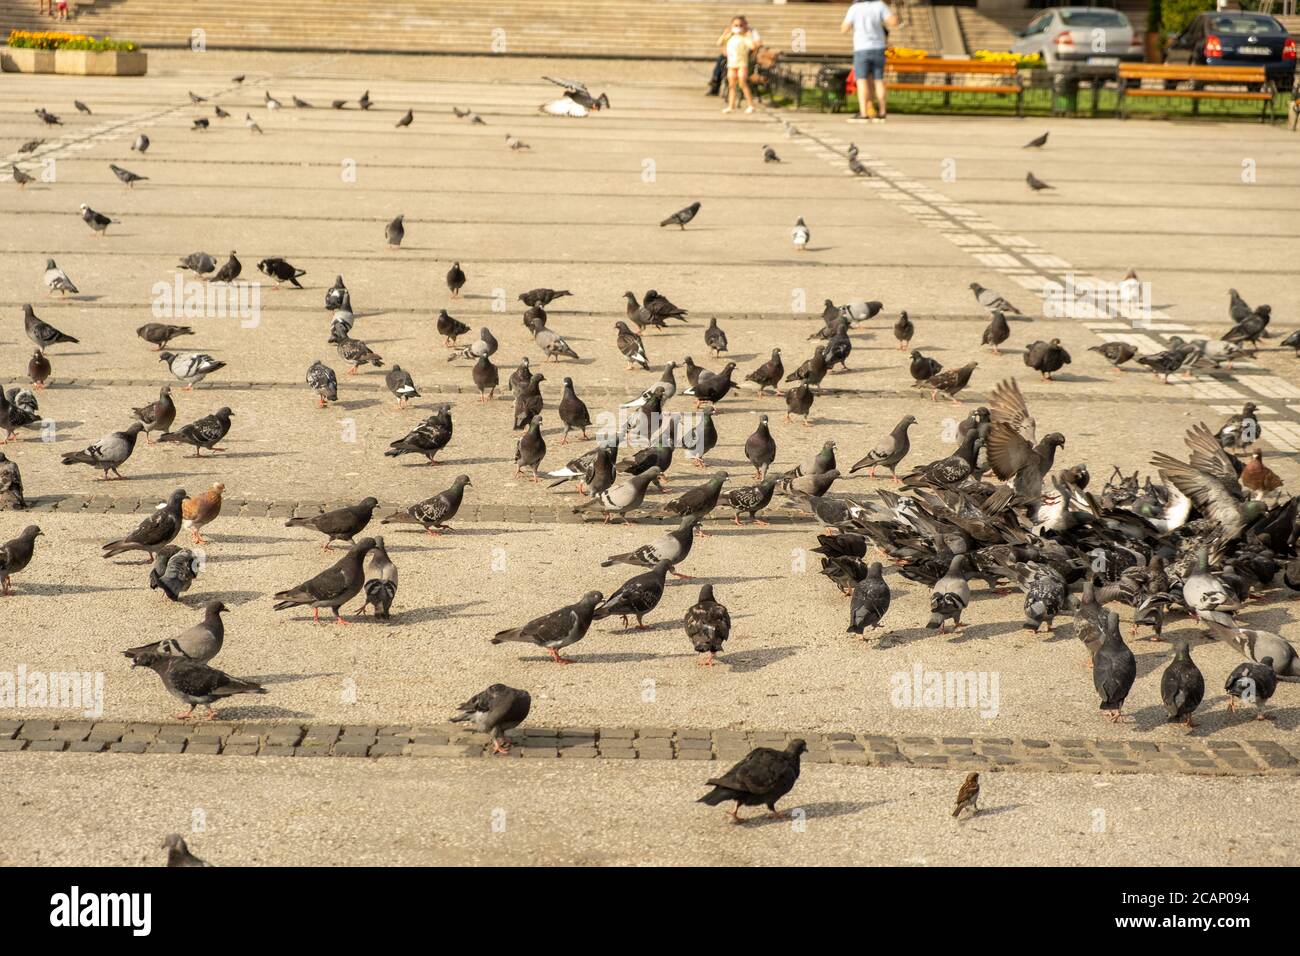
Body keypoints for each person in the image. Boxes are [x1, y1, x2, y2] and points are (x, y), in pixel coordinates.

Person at [841, 0, 898, 123]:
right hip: (878, 48)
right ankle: (882, 113)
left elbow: (844, 28)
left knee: (862, 81)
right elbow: (893, 21)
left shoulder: (855, 8)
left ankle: (863, 113)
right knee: (878, 80)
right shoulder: (880, 5)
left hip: (862, 48)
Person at [716, 15, 760, 114]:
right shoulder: (730, 36)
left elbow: (753, 46)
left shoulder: (744, 37)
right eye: (735, 25)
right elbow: (719, 43)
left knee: (742, 83)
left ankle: (750, 105)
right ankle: (731, 106)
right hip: (731, 63)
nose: (738, 27)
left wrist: (748, 36)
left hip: (742, 63)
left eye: (740, 25)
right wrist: (725, 34)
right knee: (731, 85)